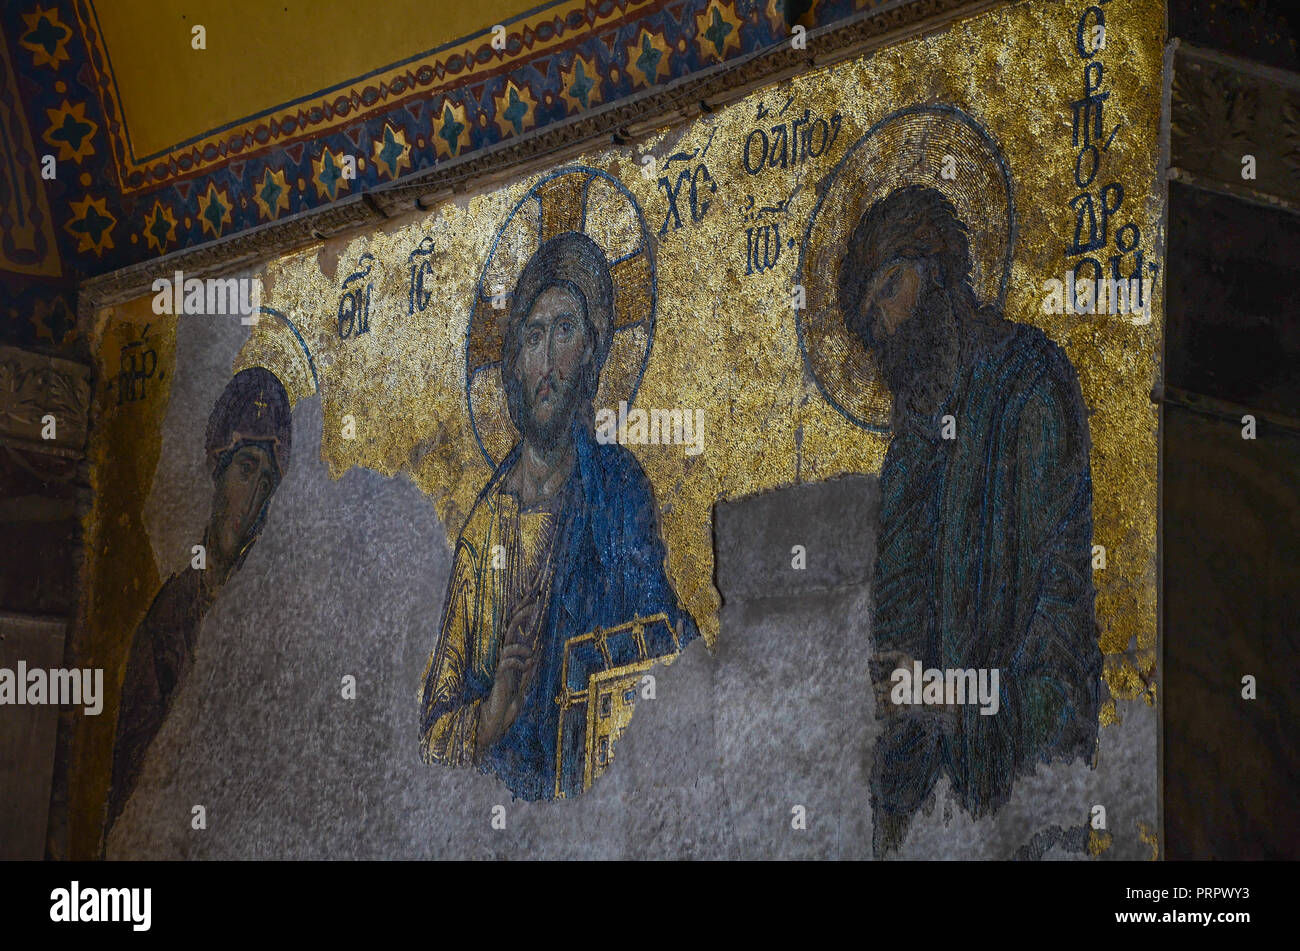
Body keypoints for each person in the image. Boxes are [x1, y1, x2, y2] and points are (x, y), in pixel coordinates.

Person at [838, 185, 1102, 856]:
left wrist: (959, 700)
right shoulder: (912, 441)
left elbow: (1060, 621)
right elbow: (895, 631)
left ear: (938, 266)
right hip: (926, 796)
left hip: (1022, 780)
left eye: (890, 287)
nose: (888, 324)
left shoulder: (1029, 384)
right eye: (871, 319)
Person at [419, 231, 696, 800]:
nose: (546, 360)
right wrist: (494, 711)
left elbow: (664, 642)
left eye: (565, 330)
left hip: (605, 800)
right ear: (514, 362)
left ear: (592, 352)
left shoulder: (617, 490)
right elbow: (434, 733)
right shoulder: (482, 532)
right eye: (534, 336)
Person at [107, 366, 291, 833]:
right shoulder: (171, 606)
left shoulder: (259, 611)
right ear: (219, 468)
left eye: (266, 483)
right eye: (246, 470)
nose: (251, 499)